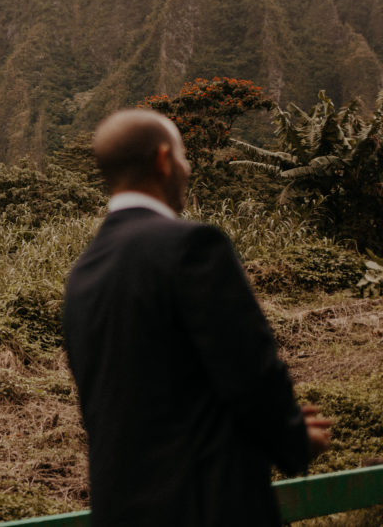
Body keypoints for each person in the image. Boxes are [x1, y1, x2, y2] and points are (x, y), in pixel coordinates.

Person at [61, 109, 331, 526]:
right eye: (185, 158)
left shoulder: (82, 275)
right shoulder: (192, 246)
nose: (188, 170)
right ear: (164, 159)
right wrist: (294, 437)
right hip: (207, 506)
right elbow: (248, 369)